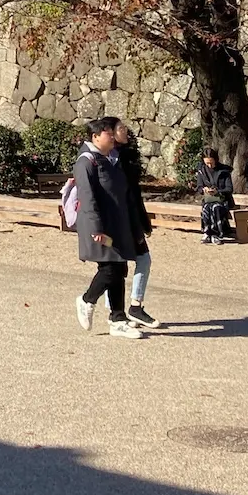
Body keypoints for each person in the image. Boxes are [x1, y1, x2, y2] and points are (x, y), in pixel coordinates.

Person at [73, 115, 142, 339]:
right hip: (99, 225)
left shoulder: (110, 159)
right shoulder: (87, 162)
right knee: (110, 268)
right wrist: (96, 227)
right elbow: (87, 197)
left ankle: (118, 319)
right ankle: (87, 300)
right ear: (95, 137)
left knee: (119, 267)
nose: (113, 137)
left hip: (116, 224)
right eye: (108, 134)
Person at [109, 119, 159, 329]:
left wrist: (142, 221)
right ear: (110, 133)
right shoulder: (109, 160)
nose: (126, 131)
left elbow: (134, 194)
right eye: (121, 128)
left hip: (132, 218)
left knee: (142, 260)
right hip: (119, 221)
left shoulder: (126, 157)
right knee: (116, 266)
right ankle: (116, 310)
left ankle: (133, 306)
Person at [195, 147, 235, 244]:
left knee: (215, 208)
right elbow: (199, 187)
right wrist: (204, 189)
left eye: (211, 162)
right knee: (206, 208)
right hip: (208, 199)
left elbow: (229, 189)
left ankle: (216, 234)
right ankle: (207, 232)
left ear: (215, 159)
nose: (209, 165)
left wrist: (218, 191)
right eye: (207, 163)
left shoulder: (224, 171)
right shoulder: (202, 171)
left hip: (223, 199)